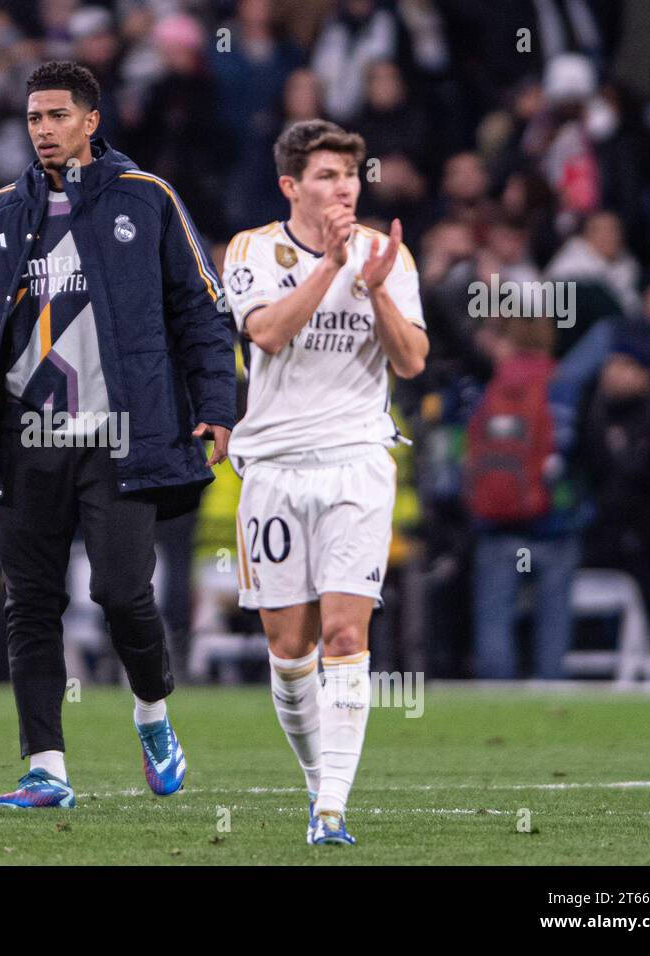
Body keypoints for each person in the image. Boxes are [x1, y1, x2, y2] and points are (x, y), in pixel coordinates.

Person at [0, 61, 236, 809]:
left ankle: (152, 713)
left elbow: (202, 310)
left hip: (120, 434)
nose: (43, 130)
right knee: (30, 603)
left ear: (91, 120)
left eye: (57, 116)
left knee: (122, 593)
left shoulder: (146, 199)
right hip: (29, 439)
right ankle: (46, 767)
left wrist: (217, 404)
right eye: (33, 118)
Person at [221, 119, 427, 845]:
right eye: (326, 177)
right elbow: (268, 333)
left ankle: (332, 808)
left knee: (345, 631)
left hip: (356, 462)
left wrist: (374, 291)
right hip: (274, 466)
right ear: (291, 187)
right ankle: (319, 784)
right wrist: (329, 268)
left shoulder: (387, 255)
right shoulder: (250, 249)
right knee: (288, 652)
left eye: (350, 176)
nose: (343, 188)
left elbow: (411, 362)